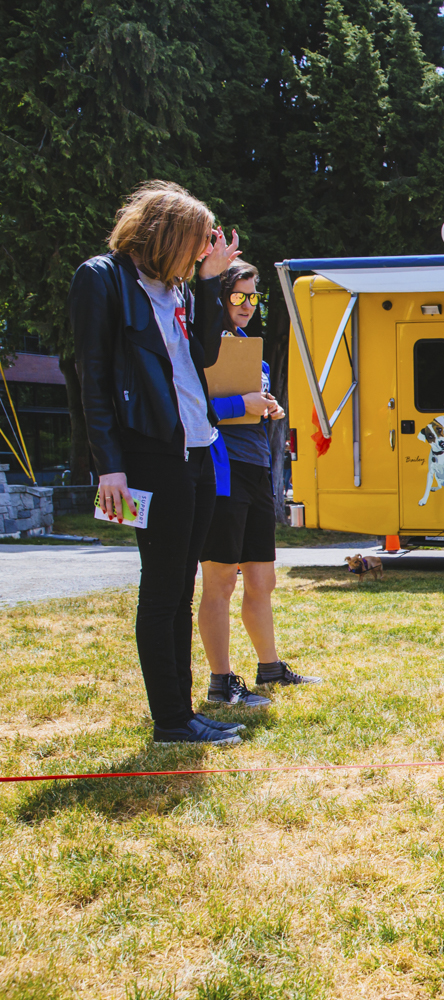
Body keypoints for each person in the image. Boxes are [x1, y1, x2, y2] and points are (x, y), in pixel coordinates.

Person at [70, 180, 243, 746]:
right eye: (197, 242)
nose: (202, 251)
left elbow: (207, 358)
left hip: (195, 449)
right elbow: (92, 378)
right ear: (167, 233)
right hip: (148, 453)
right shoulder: (103, 279)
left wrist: (213, 282)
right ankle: (171, 719)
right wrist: (109, 465)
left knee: (181, 586)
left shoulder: (184, 292)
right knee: (163, 588)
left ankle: (182, 713)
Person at [199, 260, 321, 707]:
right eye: (238, 296)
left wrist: (267, 407)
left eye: (254, 297)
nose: (247, 305)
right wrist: (241, 403)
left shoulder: (255, 354)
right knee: (219, 584)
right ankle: (220, 682)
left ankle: (269, 669)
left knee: (262, 580)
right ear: (220, 298)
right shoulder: (205, 348)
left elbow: (248, 405)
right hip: (220, 474)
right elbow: (197, 408)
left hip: (255, 474)